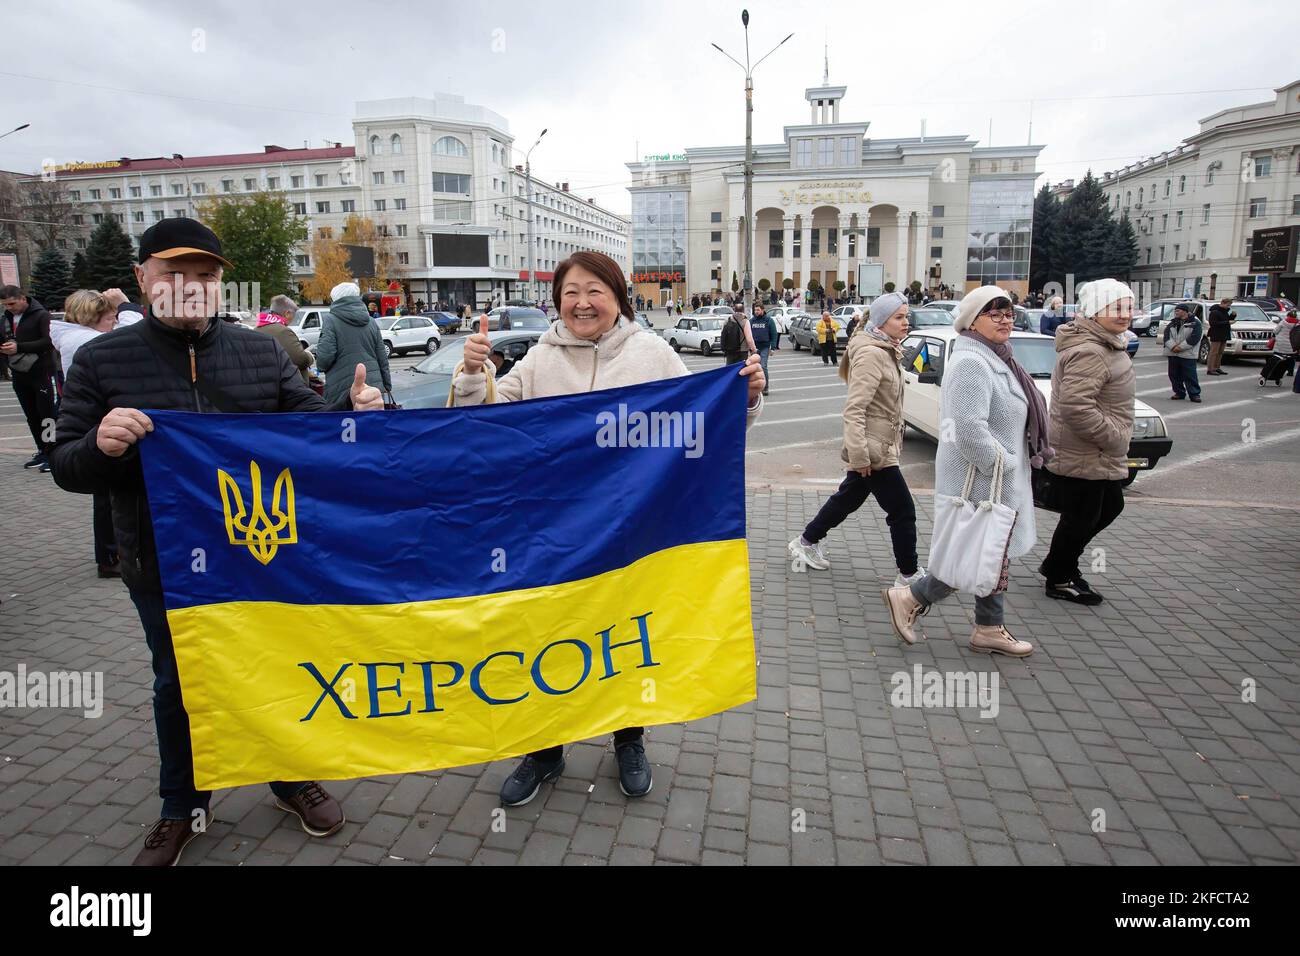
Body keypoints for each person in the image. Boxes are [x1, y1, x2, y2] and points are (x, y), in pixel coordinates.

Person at [48, 217, 385, 866]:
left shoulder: (258, 352)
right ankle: (183, 804)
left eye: (204, 275)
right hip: (162, 564)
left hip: (260, 560)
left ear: (221, 284)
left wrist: (353, 418)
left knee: (275, 673)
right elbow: (67, 466)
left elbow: (309, 436)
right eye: (174, 273)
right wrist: (99, 444)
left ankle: (287, 778)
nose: (191, 286)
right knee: (178, 685)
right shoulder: (102, 360)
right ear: (142, 279)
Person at [449, 250, 764, 807]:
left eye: (594, 289)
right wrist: (473, 374)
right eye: (571, 291)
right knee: (549, 638)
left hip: (631, 533)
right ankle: (544, 749)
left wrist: (746, 397)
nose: (582, 302)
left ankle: (629, 738)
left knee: (625, 634)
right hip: (552, 535)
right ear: (558, 302)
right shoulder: (538, 359)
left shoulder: (654, 354)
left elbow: (700, 423)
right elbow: (484, 424)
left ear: (618, 297)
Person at [881, 286, 1048, 658]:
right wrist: (1001, 464)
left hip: (995, 480)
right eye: (995, 313)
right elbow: (968, 427)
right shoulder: (973, 362)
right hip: (980, 480)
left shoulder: (998, 356)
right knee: (977, 553)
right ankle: (910, 597)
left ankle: (988, 627)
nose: (1006, 319)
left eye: (1009, 313)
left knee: (990, 553)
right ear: (973, 320)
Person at [788, 292, 924, 585]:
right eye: (899, 317)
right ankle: (909, 575)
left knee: (848, 498)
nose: (906, 323)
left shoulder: (885, 347)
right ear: (881, 321)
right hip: (874, 450)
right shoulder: (872, 353)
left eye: (906, 316)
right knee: (902, 510)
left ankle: (807, 541)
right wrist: (861, 456)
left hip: (880, 443)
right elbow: (855, 409)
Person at [1039, 279, 1136, 605]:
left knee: (1105, 507)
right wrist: (1115, 437)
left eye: (1127, 306)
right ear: (1095, 312)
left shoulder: (1106, 342)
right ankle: (1060, 577)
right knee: (1083, 516)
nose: (1124, 314)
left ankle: (1059, 565)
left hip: (1095, 450)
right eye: (1115, 307)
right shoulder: (1091, 350)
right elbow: (1077, 407)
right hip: (1087, 450)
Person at [49, 289, 143, 578]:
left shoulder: (72, 336)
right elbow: (134, 333)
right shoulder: (86, 342)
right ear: (92, 318)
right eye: (109, 319)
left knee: (104, 496)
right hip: (99, 424)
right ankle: (109, 553)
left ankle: (108, 551)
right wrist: (126, 304)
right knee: (105, 497)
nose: (113, 325)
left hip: (99, 418)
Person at [1, 284, 58, 472]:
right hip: (19, 372)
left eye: (12, 303)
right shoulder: (6, 318)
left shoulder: (41, 315)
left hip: (42, 371)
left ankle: (54, 452)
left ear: (23, 299)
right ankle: (42, 450)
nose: (9, 308)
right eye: (5, 305)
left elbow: (49, 341)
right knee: (31, 415)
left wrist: (20, 347)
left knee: (47, 414)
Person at [316, 282, 392, 407]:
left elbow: (324, 361)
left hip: (342, 391)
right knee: (372, 424)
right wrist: (387, 385)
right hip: (374, 389)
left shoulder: (331, 320)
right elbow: (382, 358)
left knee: (347, 425)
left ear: (335, 299)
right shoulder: (372, 322)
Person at [256, 294, 314, 383]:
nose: (292, 321)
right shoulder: (283, 331)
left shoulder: (257, 329)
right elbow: (300, 359)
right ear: (287, 313)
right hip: (286, 387)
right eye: (293, 316)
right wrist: (310, 356)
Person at [1162, 302, 1202, 402]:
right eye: (1175, 310)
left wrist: (1180, 347)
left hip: (1187, 354)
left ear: (1185, 311)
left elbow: (1194, 338)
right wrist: (1173, 346)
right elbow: (1166, 336)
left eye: (1178, 310)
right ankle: (1179, 392)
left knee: (1190, 375)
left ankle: (1194, 394)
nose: (1176, 312)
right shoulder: (1172, 323)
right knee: (1174, 375)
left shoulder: (1195, 323)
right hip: (1173, 353)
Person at [1260, 308, 1297, 387]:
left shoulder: (1283, 322)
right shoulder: (1297, 324)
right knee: (1288, 360)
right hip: (1291, 347)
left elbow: (1275, 331)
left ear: (1288, 315)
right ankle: (1282, 374)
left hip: (1280, 345)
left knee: (1274, 360)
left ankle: (1266, 375)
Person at [750, 303, 776, 395]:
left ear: (762, 310)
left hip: (765, 347)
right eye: (755, 310)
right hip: (754, 348)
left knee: (763, 367)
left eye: (758, 310)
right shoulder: (751, 321)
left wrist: (773, 348)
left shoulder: (769, 320)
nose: (756, 312)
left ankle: (765, 388)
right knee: (754, 368)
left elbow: (774, 334)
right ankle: (756, 387)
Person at [1206, 297, 1235, 375]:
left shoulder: (1224, 311)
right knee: (1214, 352)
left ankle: (1217, 367)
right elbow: (1213, 323)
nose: (1228, 307)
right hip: (1216, 334)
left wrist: (1232, 316)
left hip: (1223, 334)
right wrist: (1227, 322)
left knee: (1220, 352)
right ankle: (1210, 369)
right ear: (1222, 303)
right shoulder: (1214, 312)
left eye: (1229, 306)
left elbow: (1225, 320)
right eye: (1227, 305)